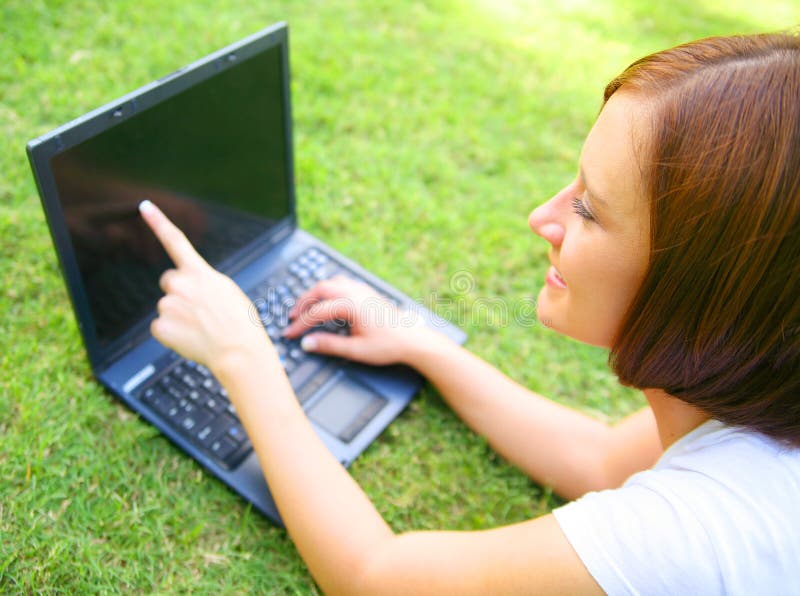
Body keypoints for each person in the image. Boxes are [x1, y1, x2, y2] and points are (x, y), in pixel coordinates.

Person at [137, 32, 800, 594]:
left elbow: (374, 576)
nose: (542, 217)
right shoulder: (762, 387)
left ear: (702, 284)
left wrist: (243, 357)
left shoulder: (695, 533)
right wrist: (425, 345)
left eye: (590, 209)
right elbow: (598, 459)